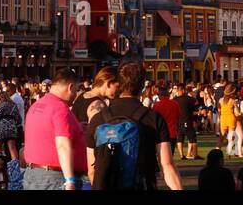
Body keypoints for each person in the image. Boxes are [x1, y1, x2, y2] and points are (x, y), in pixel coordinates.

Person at [87, 62, 182, 191]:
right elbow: (167, 165)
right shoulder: (153, 118)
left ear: (118, 83)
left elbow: (92, 170)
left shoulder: (98, 119)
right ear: (142, 86)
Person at [23, 68, 87, 190]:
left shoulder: (36, 106)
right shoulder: (60, 108)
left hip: (33, 174)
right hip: (55, 178)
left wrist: (77, 127)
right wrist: (70, 180)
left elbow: (46, 134)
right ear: (70, 87)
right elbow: (62, 145)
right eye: (76, 90)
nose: (76, 95)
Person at [0, 91, 22, 162]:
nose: (0, 99)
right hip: (12, 127)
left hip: (2, 127)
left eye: (0, 98)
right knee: (12, 147)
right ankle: (15, 166)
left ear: (2, 98)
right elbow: (19, 119)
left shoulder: (2, 105)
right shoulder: (14, 105)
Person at [174, 83, 200, 160]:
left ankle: (182, 155)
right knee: (192, 138)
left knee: (180, 139)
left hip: (178, 122)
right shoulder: (188, 98)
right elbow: (196, 103)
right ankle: (195, 154)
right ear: (183, 90)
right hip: (187, 120)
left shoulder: (174, 100)